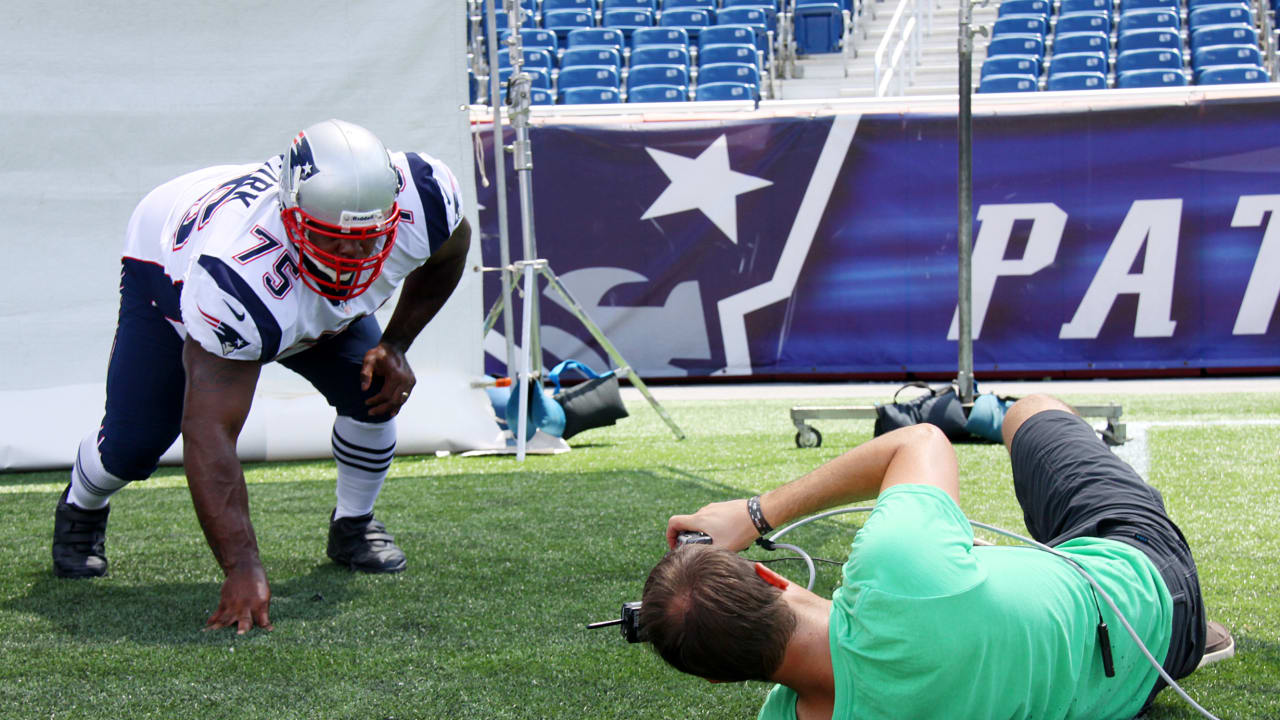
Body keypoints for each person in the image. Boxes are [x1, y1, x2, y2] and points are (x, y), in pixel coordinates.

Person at [52, 119, 471, 634]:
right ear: (292, 215)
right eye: (334, 239)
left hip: (291, 290)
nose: (352, 259)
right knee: (133, 446)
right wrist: (242, 566)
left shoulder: (422, 197)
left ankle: (353, 523)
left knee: (372, 389)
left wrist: (396, 343)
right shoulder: (233, 275)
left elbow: (451, 249)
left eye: (367, 240)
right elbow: (209, 430)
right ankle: (81, 507)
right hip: (169, 264)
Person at [643, 394, 1234, 719]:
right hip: (1144, 583)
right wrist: (755, 514)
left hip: (1136, 684)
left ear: (718, 676)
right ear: (770, 577)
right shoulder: (896, 567)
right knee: (1030, 413)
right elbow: (920, 440)